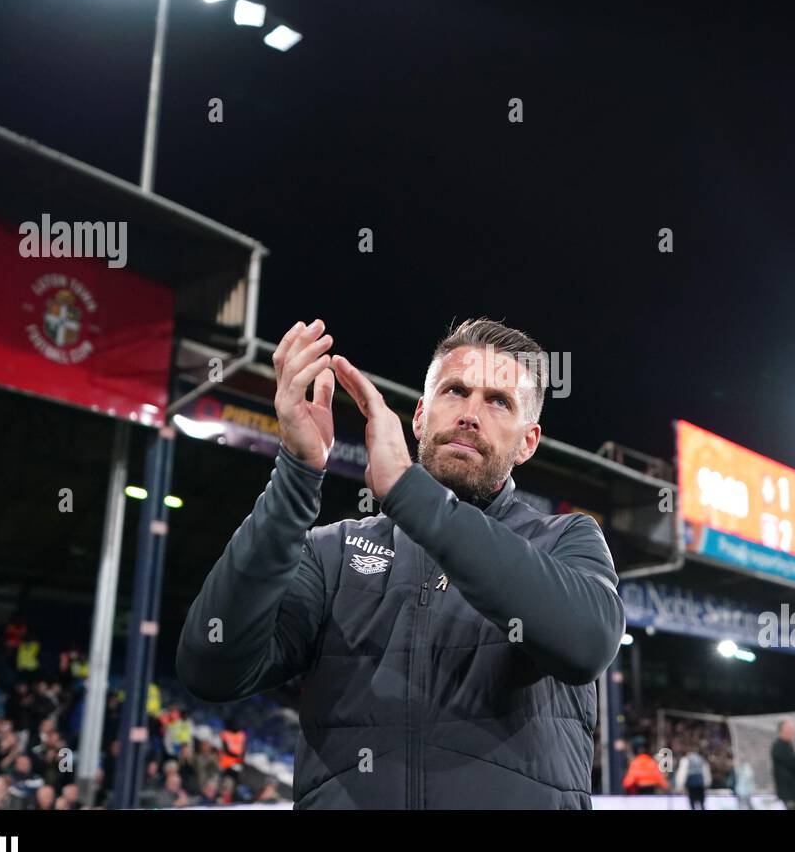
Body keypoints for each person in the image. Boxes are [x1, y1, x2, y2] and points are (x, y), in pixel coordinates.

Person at [178, 318, 624, 809]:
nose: (470, 414)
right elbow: (211, 668)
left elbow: (586, 643)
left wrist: (410, 492)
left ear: (528, 442)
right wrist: (297, 476)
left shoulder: (565, 539)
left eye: (499, 401)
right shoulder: (333, 553)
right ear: (418, 417)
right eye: (455, 391)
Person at [771, 719, 795, 809]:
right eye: (790, 729)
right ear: (783, 731)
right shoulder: (780, 747)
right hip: (790, 793)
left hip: (794, 793)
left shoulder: (787, 745)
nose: (793, 731)